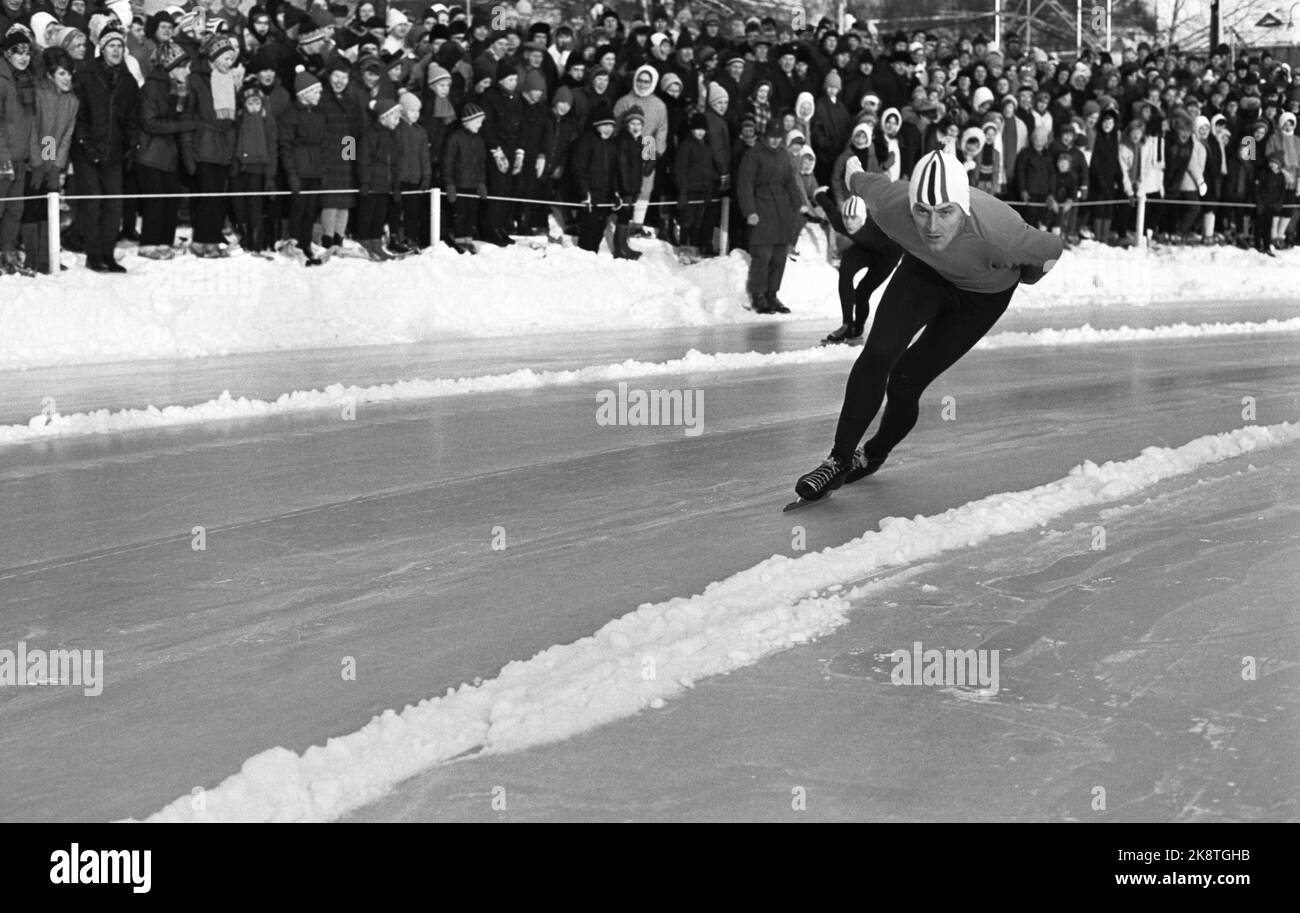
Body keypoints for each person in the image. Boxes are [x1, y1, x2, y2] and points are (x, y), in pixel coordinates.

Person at [793, 149, 1063, 502]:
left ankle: (873, 454)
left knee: (906, 381)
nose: (932, 227)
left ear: (963, 207)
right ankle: (838, 460)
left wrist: (1019, 277)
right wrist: (854, 169)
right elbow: (857, 178)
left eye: (945, 212)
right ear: (911, 205)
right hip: (923, 272)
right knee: (878, 355)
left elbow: (1051, 251)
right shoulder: (892, 205)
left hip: (981, 296)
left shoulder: (1003, 234)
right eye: (922, 211)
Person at [815, 188, 902, 345]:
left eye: (853, 217)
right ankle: (847, 324)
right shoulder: (840, 223)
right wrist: (819, 194)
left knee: (863, 292)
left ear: (862, 218)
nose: (848, 222)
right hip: (864, 249)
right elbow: (829, 208)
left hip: (887, 256)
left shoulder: (880, 223)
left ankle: (858, 327)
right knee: (845, 270)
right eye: (846, 217)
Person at [736, 118, 806, 313]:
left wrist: (798, 203)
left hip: (781, 209)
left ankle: (772, 294)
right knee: (763, 254)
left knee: (779, 255)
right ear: (765, 136)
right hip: (762, 207)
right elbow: (745, 184)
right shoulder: (753, 155)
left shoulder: (784, 155)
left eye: (778, 137)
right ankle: (758, 295)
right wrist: (749, 211)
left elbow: (790, 181)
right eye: (771, 137)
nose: (775, 141)